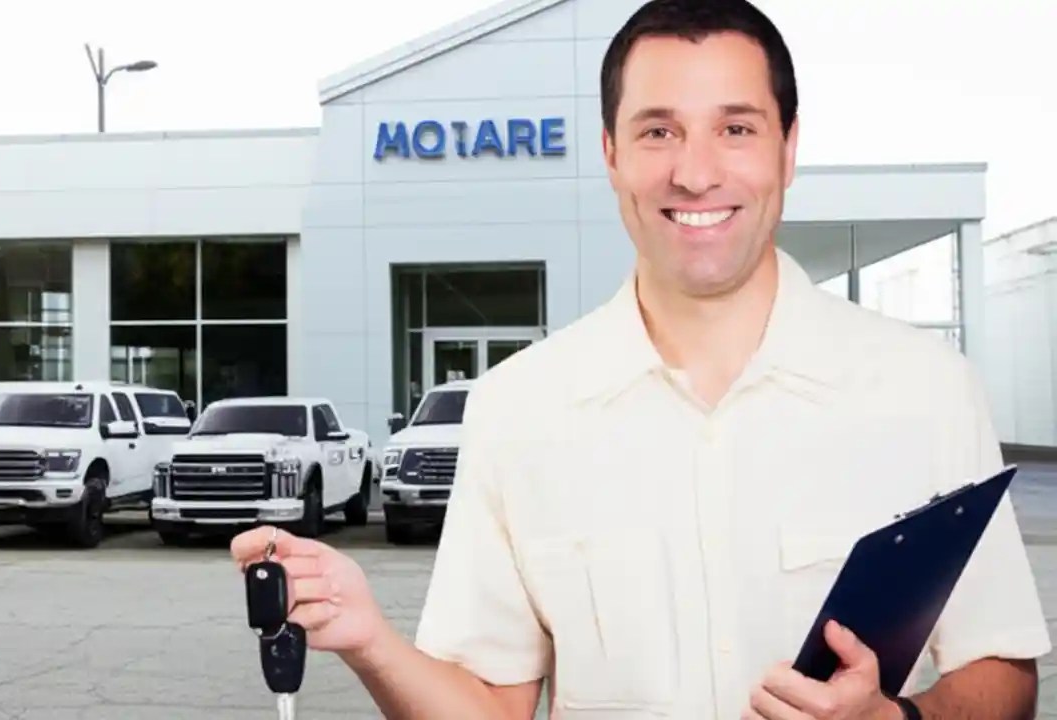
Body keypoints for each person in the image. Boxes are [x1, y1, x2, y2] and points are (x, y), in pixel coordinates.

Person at [231, 0, 1052, 716]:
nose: (695, 173)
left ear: (788, 148)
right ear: (612, 152)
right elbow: (491, 708)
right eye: (658, 131)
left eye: (736, 128)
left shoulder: (926, 389)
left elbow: (1003, 673)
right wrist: (370, 638)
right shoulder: (521, 409)